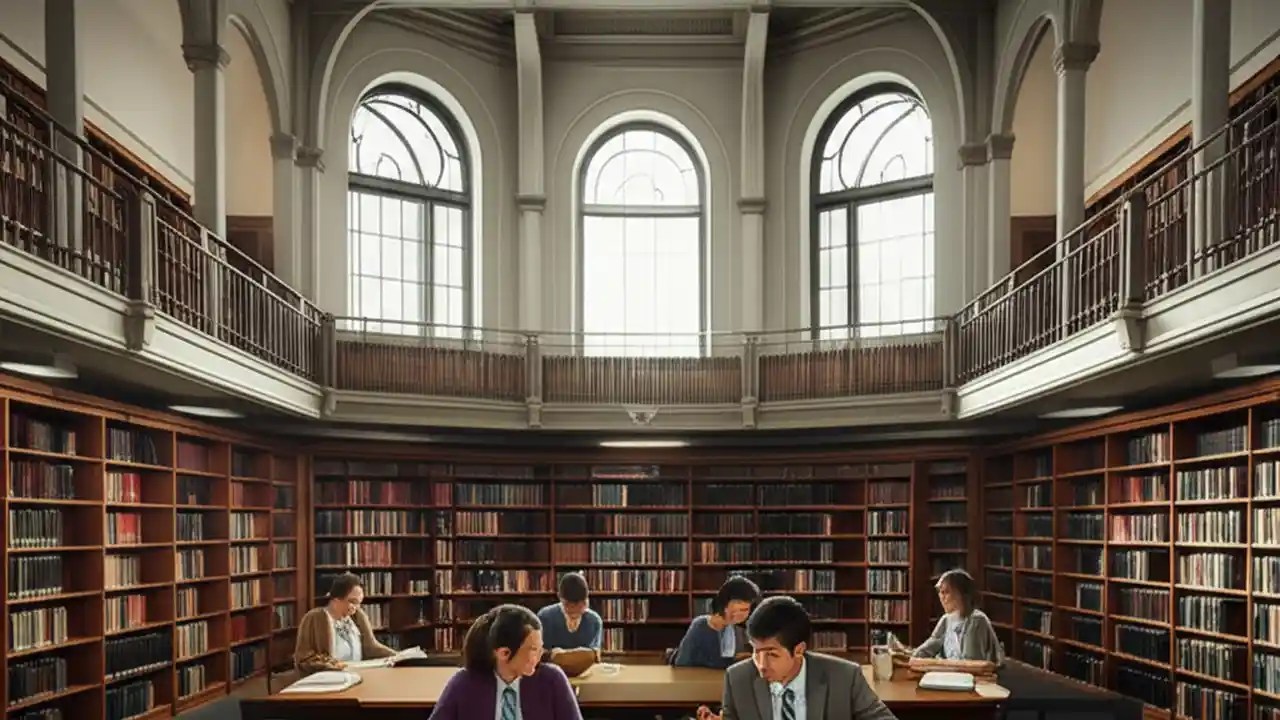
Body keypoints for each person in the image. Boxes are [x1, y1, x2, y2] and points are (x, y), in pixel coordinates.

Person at [696, 596, 896, 720]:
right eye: (756, 652)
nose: (761, 665)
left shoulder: (844, 677)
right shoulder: (737, 679)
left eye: (772, 654)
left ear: (799, 650)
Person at [429, 604, 583, 720]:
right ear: (503, 653)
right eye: (533, 649)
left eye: (541, 647)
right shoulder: (463, 683)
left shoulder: (552, 680)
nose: (541, 654)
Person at [293, 572, 396, 675]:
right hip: (329, 677)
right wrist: (333, 666)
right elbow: (303, 658)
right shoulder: (313, 618)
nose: (356, 607)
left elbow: (371, 647)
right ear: (336, 599)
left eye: (359, 603)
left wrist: (398, 656)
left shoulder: (358, 616)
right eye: (352, 602)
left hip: (358, 674)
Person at [913, 569, 1004, 665]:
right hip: (950, 673)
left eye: (946, 592)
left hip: (972, 674)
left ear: (962, 594)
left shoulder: (977, 620)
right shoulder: (946, 619)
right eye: (940, 592)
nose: (941, 597)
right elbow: (932, 644)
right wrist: (913, 656)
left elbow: (971, 659)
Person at [673, 575, 760, 669]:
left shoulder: (740, 630)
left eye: (746, 609)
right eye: (739, 607)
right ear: (725, 604)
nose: (742, 614)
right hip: (698, 679)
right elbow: (682, 663)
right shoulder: (700, 625)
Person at [536, 571, 603, 653]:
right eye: (569, 606)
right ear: (560, 598)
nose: (575, 611)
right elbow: (537, 652)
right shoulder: (545, 617)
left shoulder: (594, 621)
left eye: (580, 606)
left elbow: (595, 654)